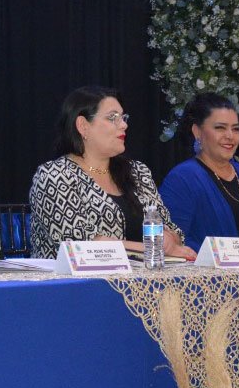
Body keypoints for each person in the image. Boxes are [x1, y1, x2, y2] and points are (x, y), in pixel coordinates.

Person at [28, 85, 197, 261]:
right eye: (112, 118)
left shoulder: (138, 172)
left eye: (123, 117)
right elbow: (77, 241)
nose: (124, 125)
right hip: (72, 284)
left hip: (138, 281)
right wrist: (153, 247)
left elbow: (172, 230)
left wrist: (169, 239)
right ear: (83, 125)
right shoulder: (54, 175)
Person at [158, 93, 239, 251]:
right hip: (208, 274)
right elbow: (175, 240)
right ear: (197, 132)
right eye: (220, 128)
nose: (230, 136)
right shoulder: (181, 178)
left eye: (235, 129)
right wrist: (225, 254)